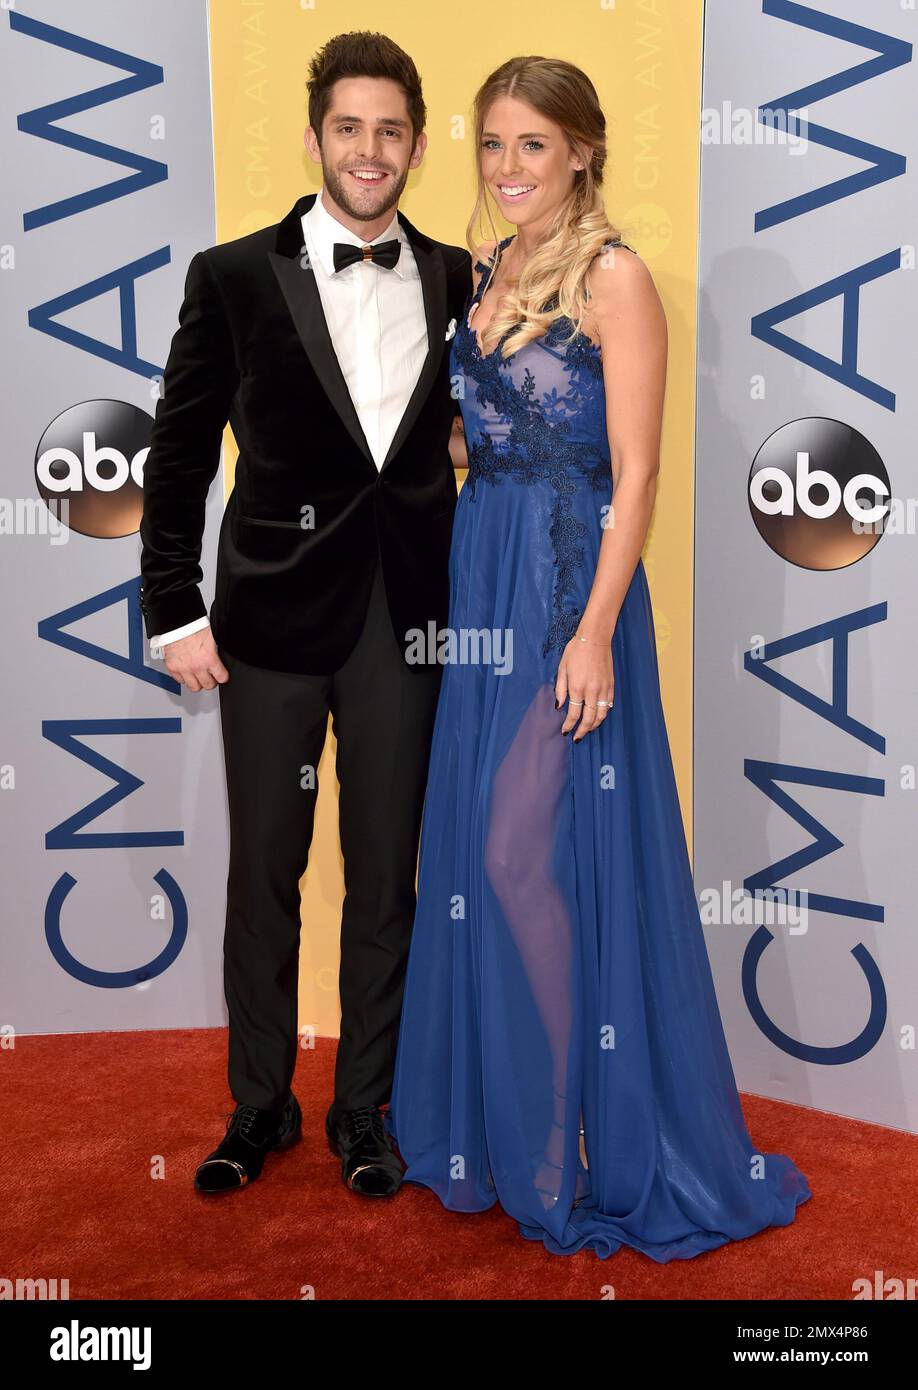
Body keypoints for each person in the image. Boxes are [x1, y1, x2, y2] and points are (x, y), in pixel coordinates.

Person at [387, 56, 812, 1260]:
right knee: (481, 850)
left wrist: (590, 632)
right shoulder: (487, 273)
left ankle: (577, 1130)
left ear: (583, 149)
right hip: (484, 571)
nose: (509, 168)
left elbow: (636, 472)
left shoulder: (616, 280)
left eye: (534, 145)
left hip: (570, 586)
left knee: (524, 852)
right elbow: (481, 436)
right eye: (492, 147)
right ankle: (519, 1119)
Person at [139, 32, 471, 1198]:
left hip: (408, 621)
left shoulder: (458, 276)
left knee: (387, 876)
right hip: (268, 624)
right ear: (316, 136)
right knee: (264, 873)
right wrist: (172, 605)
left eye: (390, 131)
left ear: (417, 147)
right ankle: (258, 1106)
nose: (369, 150)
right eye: (349, 127)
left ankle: (364, 1113)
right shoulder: (231, 275)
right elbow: (176, 456)